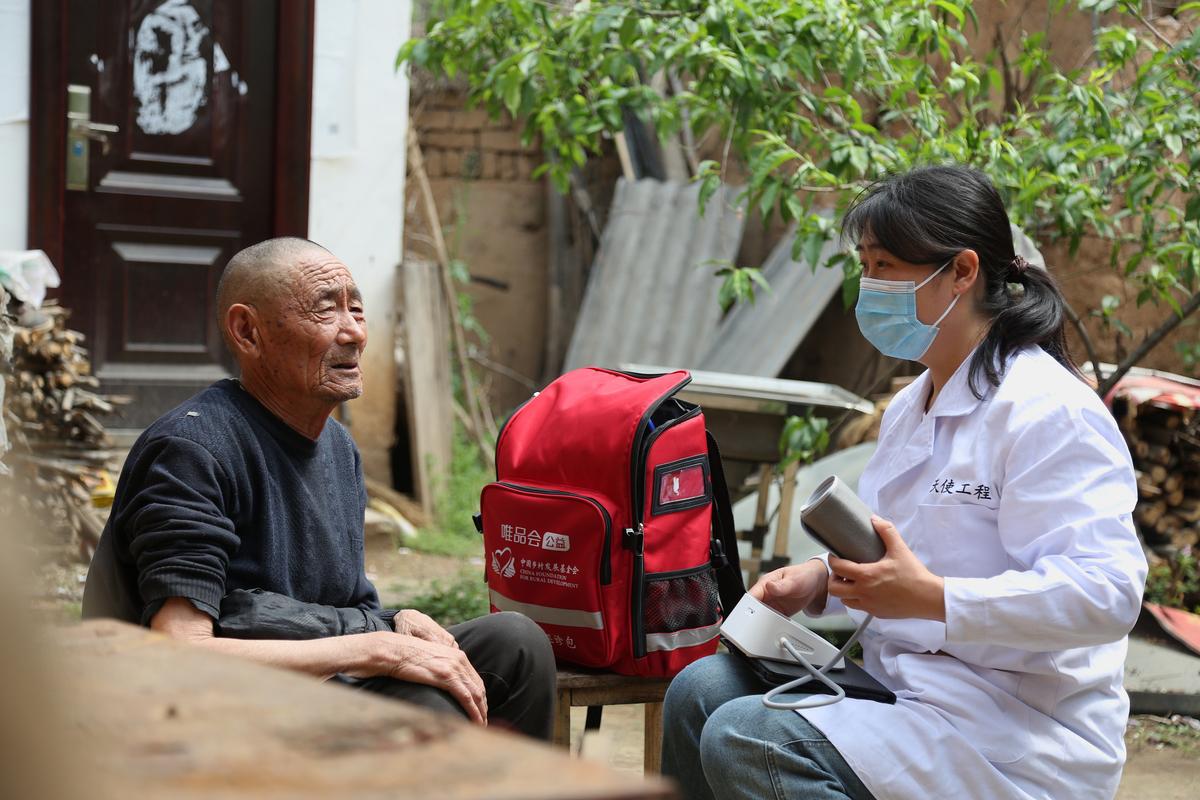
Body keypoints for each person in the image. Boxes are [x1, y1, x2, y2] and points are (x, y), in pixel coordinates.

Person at [661, 166, 1148, 799]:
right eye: (864, 266)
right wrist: (822, 580)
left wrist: (937, 599)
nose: (870, 286)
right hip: (909, 694)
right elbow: (900, 560)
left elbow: (1107, 595)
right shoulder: (910, 407)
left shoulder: (1049, 411)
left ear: (963, 271)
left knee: (749, 736)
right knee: (699, 692)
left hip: (1017, 731)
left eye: (886, 265)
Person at [82, 237, 555, 739]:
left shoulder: (338, 449)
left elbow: (345, 610)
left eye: (357, 308)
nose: (353, 333)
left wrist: (394, 621)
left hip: (308, 679)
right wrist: (381, 647)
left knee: (516, 643)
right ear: (248, 331)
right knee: (420, 704)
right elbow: (181, 649)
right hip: (191, 709)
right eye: (325, 310)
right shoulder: (192, 448)